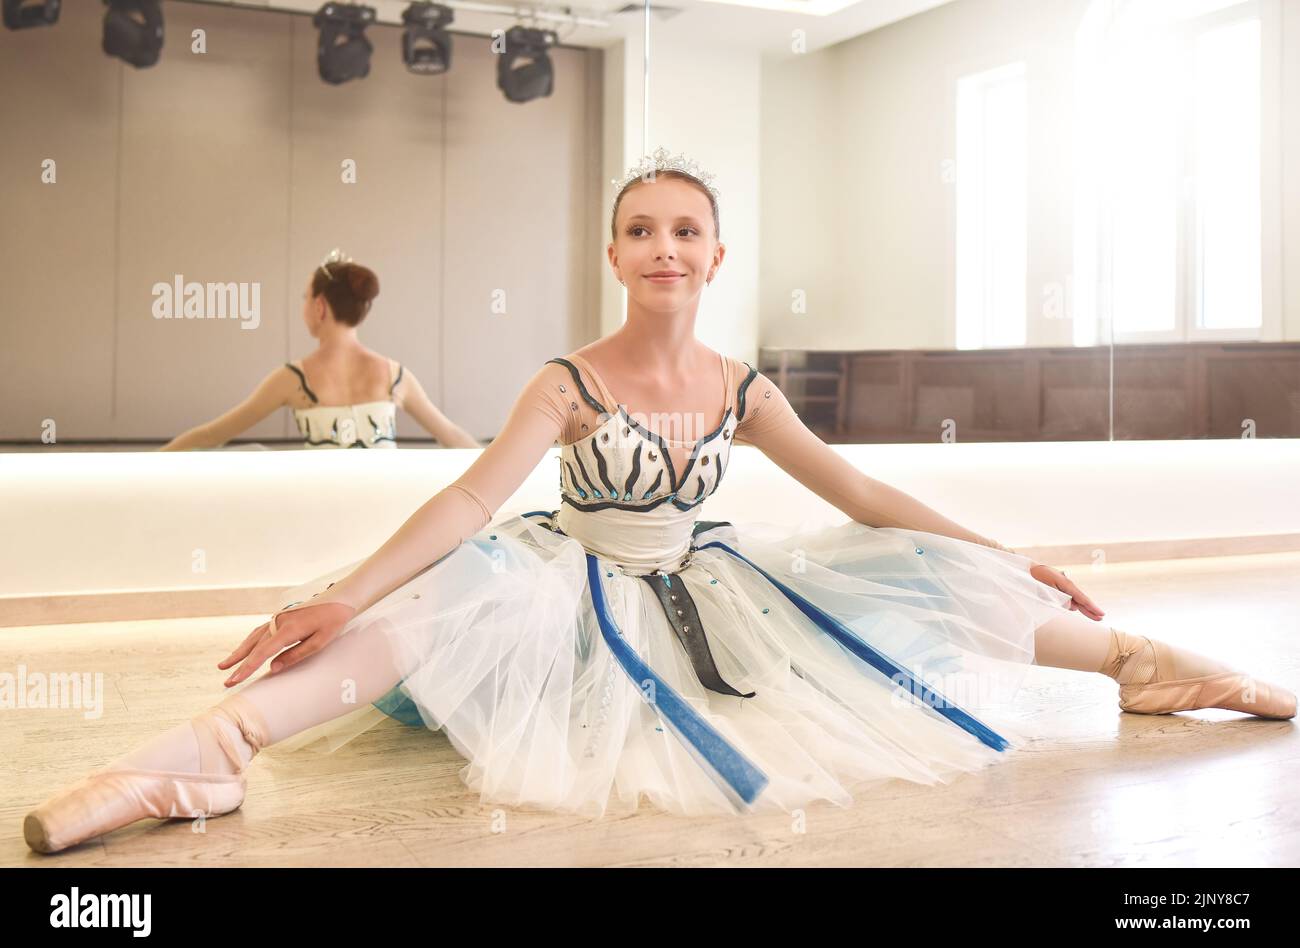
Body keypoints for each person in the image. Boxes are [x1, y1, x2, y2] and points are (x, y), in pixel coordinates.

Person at [24, 150, 1295, 853]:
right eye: (643, 230)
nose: (666, 249)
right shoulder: (566, 378)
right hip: (560, 576)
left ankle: (1145, 665)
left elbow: (858, 490)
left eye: (687, 230)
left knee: (911, 577)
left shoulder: (742, 386)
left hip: (712, 585)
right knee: (430, 610)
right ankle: (202, 759)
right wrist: (335, 591)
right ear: (616, 253)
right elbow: (471, 502)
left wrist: (1010, 553)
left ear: (716, 254)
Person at [160, 251, 479, 451]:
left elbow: (211, 435)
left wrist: (143, 466)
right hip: (388, 524)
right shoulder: (395, 376)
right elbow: (451, 436)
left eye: (304, 298)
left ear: (319, 306)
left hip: (324, 519)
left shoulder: (291, 380)